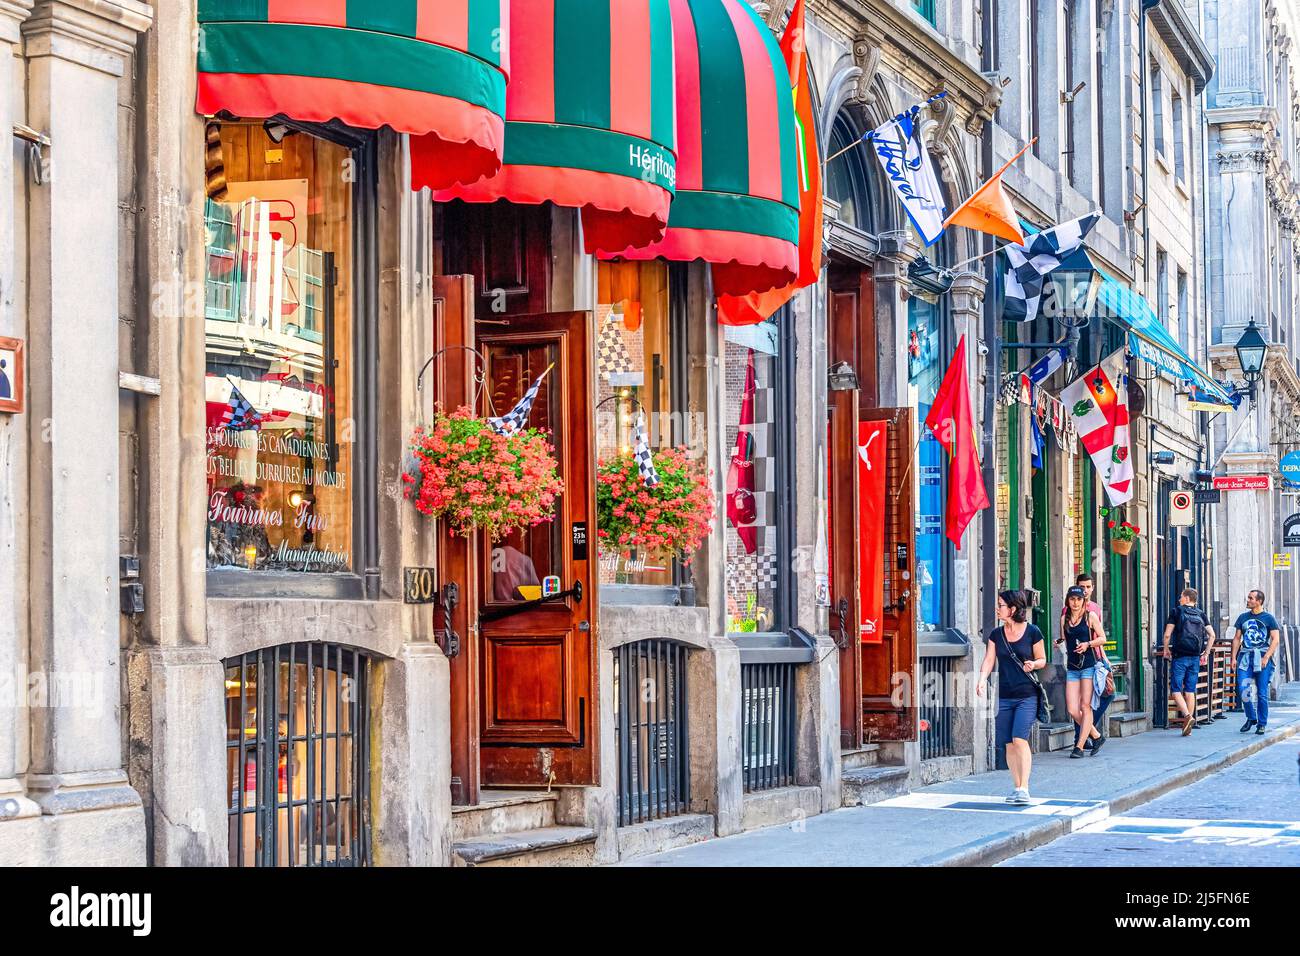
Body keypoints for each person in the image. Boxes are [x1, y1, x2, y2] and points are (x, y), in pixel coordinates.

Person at [977, 590, 1047, 804]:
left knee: (1019, 738)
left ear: (1013, 609)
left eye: (1001, 605)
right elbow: (989, 660)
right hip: (1005, 695)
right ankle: (1016, 787)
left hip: (1027, 694)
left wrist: (1033, 664)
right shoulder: (996, 635)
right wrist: (981, 679)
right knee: (1008, 743)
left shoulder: (1032, 632)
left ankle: (1024, 788)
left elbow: (1042, 659)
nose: (998, 608)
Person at [1057, 585, 1107, 757]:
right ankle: (1097, 736)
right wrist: (1059, 643)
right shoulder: (1064, 618)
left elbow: (1103, 638)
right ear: (1068, 601)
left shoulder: (1090, 617)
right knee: (1072, 709)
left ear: (1084, 601)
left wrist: (1088, 644)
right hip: (1072, 667)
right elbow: (1064, 638)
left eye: (1079, 599)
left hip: (1088, 666)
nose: (1075, 603)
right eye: (1072, 599)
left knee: (1086, 706)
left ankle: (1079, 747)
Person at [1162, 587, 1213, 735]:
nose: (1179, 599)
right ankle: (1188, 728)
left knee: (1176, 689)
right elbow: (1212, 635)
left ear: (1187, 598)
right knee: (1190, 690)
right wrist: (1206, 652)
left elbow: (1167, 634)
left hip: (1180, 656)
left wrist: (1166, 649)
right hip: (1195, 657)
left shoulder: (1176, 612)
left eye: (1181, 597)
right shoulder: (1201, 614)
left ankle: (1187, 716)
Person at [1232, 589, 1281, 735]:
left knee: (1261, 693)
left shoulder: (1269, 618)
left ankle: (1262, 723)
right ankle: (1251, 717)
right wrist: (1233, 657)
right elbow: (1236, 638)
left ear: (1259, 601)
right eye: (1248, 597)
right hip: (1245, 657)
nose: (1248, 600)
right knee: (1243, 688)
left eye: (1250, 598)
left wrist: (1267, 656)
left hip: (1262, 658)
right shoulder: (1242, 617)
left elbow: (1275, 639)